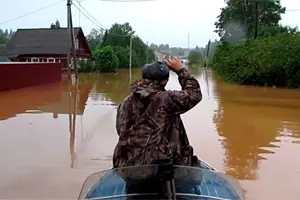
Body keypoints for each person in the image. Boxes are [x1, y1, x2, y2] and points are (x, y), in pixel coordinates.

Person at [113, 58, 202, 168]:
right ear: (164, 81)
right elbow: (194, 94)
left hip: (126, 167)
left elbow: (120, 130)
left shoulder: (125, 102)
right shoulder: (165, 99)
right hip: (159, 169)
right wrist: (181, 70)